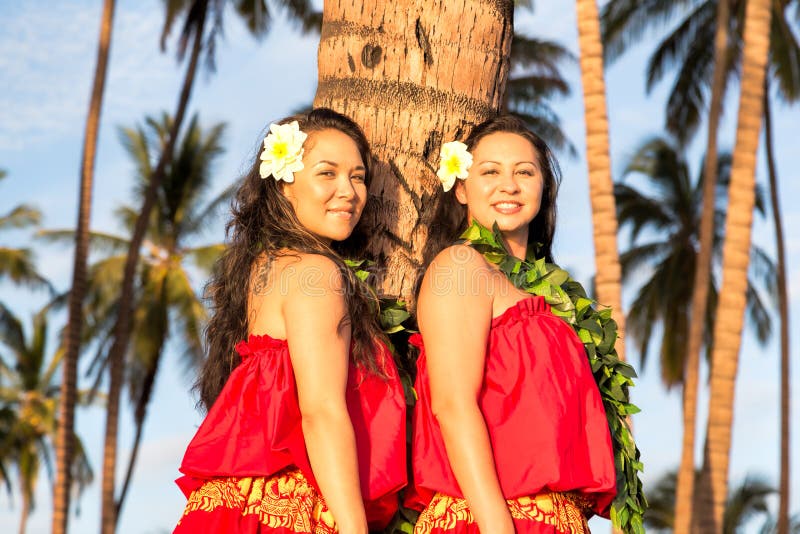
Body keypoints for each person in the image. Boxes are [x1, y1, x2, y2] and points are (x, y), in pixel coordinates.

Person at [174, 108, 406, 534]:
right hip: (298, 509)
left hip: (241, 507)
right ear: (284, 182)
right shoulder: (316, 272)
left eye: (357, 176)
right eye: (327, 173)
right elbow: (321, 412)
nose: (349, 191)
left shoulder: (260, 269)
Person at [408, 115, 617, 533]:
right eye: (490, 172)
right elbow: (452, 406)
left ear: (543, 187)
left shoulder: (550, 301)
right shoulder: (461, 266)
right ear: (462, 189)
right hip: (487, 520)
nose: (509, 184)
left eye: (525, 171)